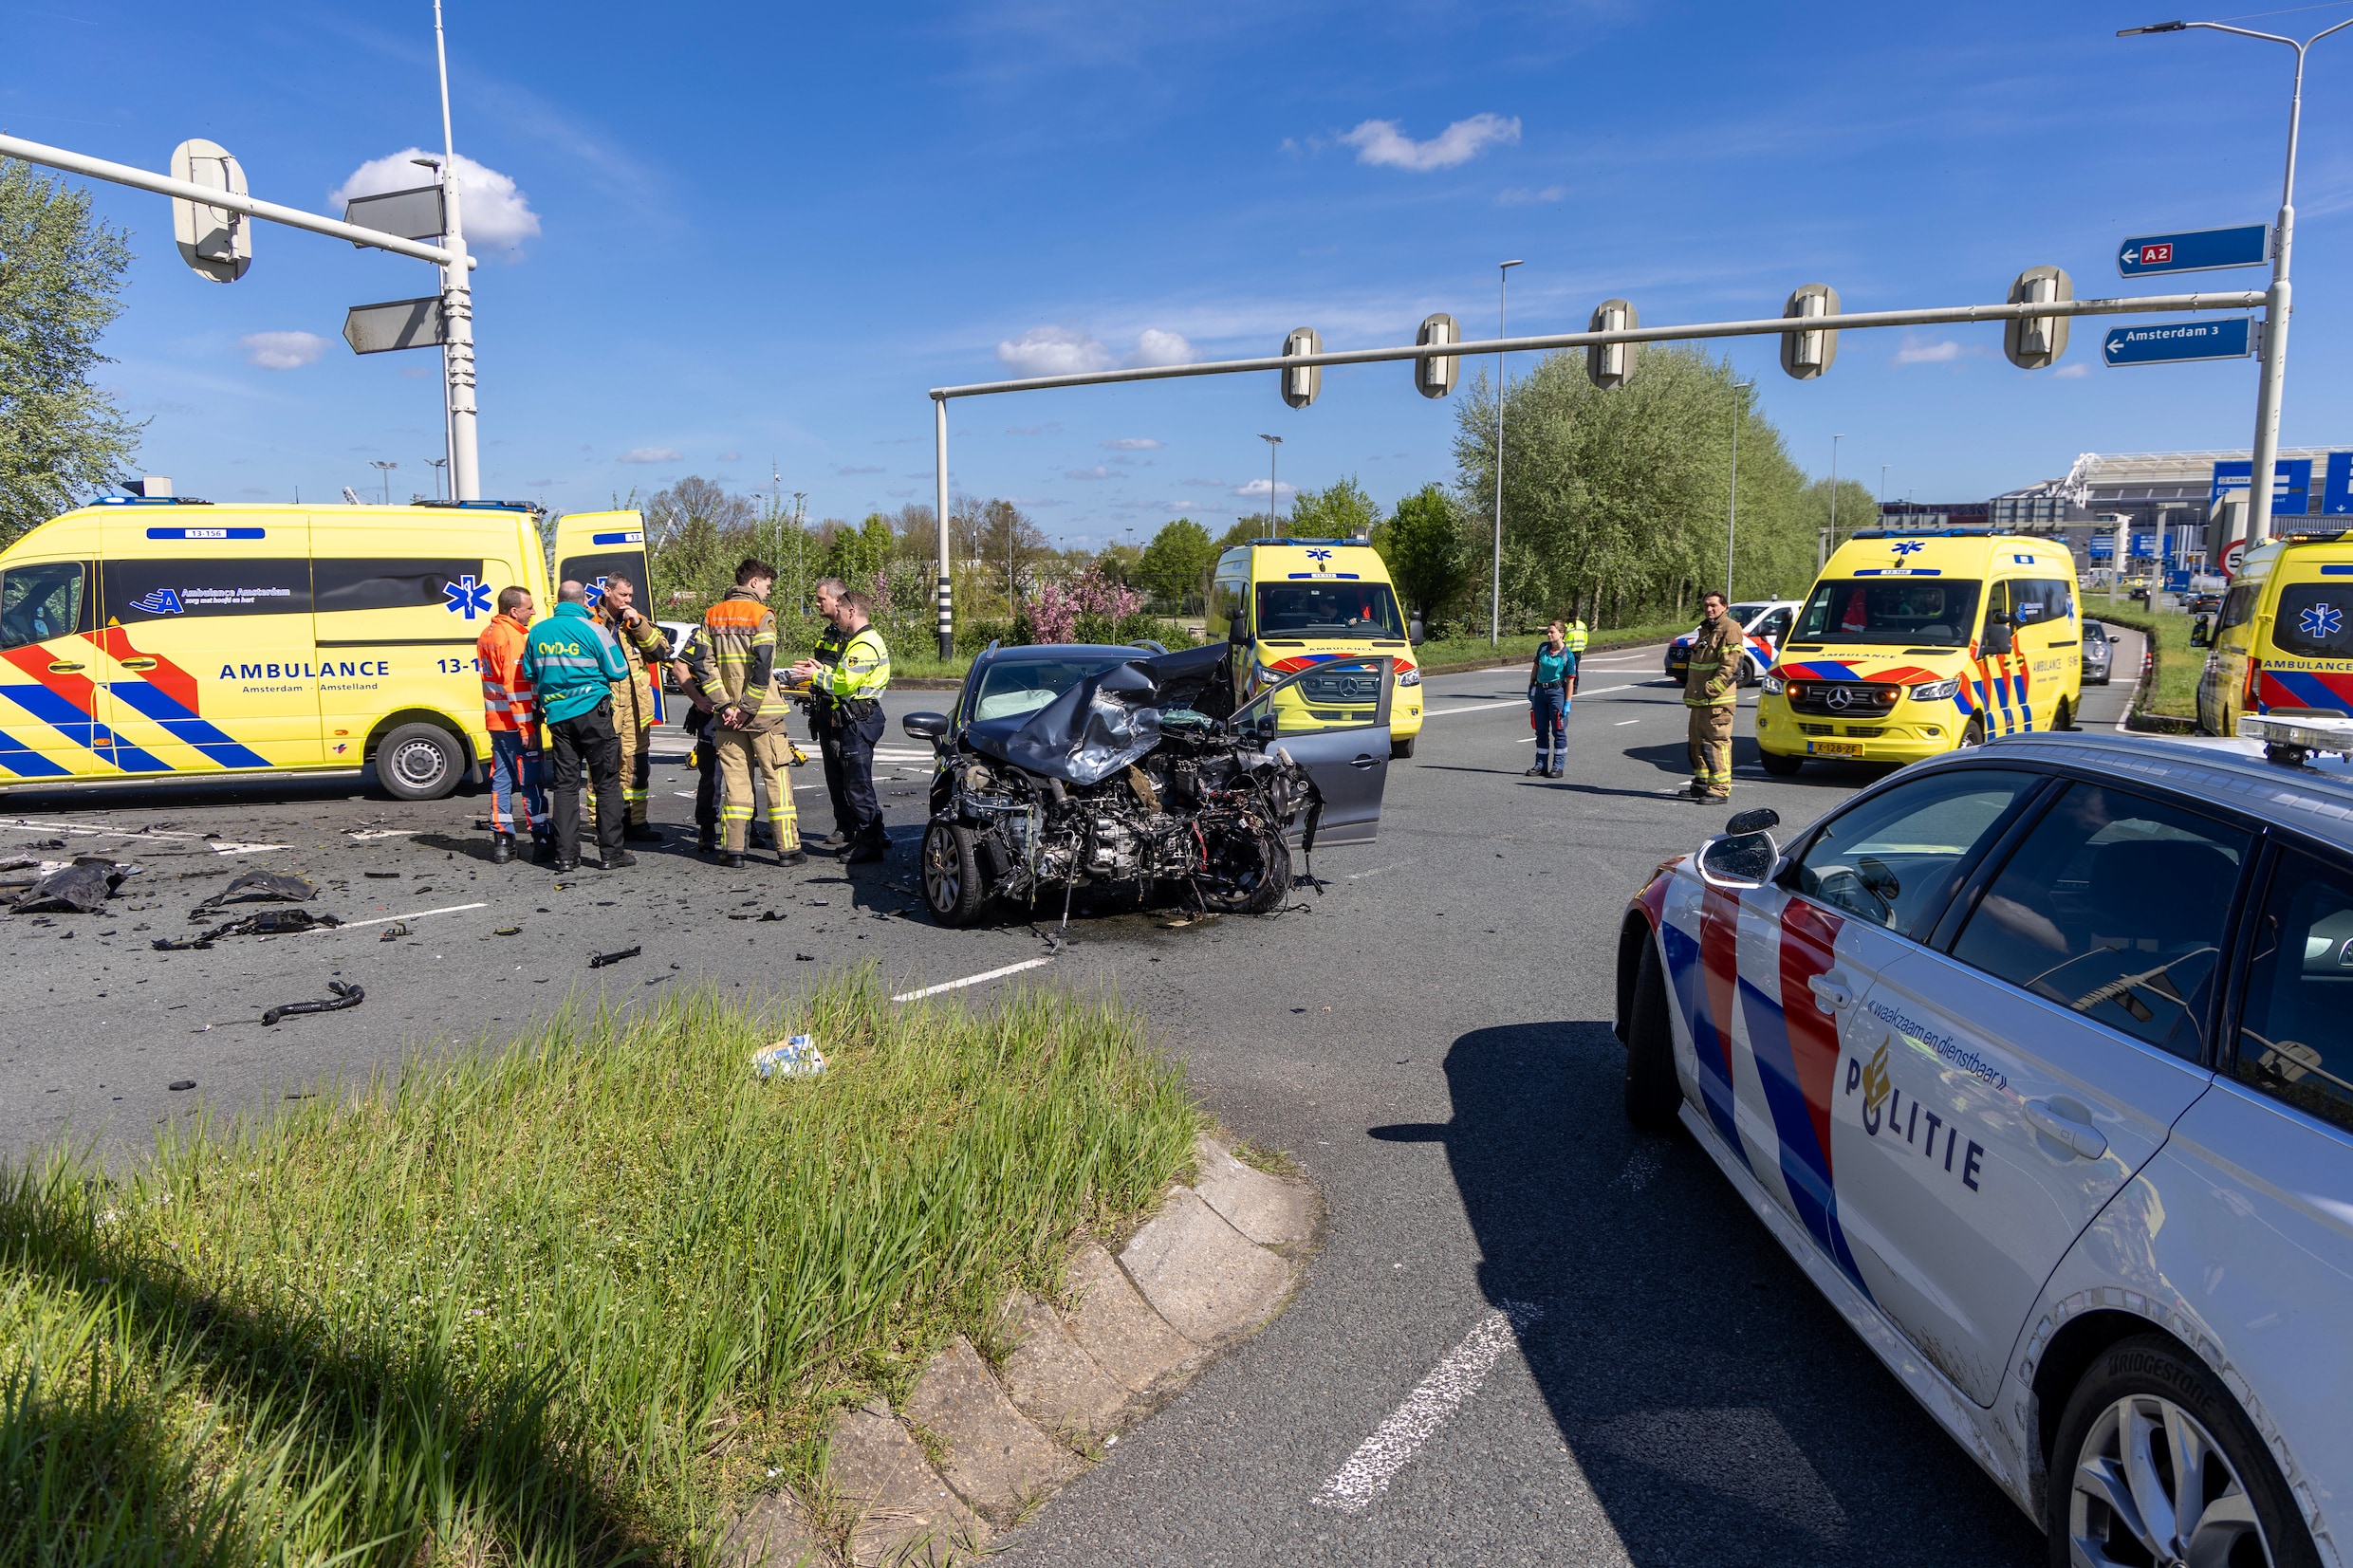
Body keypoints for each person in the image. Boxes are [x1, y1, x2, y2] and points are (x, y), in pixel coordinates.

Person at [521, 581, 635, 872]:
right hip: (593, 713)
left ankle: (567, 857)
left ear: (558, 602)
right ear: (584, 601)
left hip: (558, 717)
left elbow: (529, 672)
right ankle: (612, 854)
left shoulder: (537, 632)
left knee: (565, 787)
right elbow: (618, 670)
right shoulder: (593, 629)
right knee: (606, 783)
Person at [698, 558, 805, 870]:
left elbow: (702, 666)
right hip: (763, 716)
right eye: (768, 585)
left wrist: (725, 705)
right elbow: (763, 665)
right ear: (754, 582)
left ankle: (734, 850)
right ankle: (788, 850)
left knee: (736, 783)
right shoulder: (761, 614)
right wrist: (746, 708)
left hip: (727, 719)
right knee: (776, 778)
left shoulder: (712, 615)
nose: (769, 592)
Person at [793, 581, 892, 863]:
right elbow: (843, 675)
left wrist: (815, 676)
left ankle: (870, 843)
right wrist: (822, 669)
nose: (837, 615)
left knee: (858, 786)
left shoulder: (863, 644)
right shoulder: (862, 641)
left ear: (851, 611)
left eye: (841, 610)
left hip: (859, 719)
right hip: (857, 717)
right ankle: (864, 838)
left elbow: (843, 683)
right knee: (853, 783)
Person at [591, 574, 672, 844]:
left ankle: (636, 822)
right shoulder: (591, 621)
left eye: (630, 595)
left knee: (637, 768)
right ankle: (603, 825)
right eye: (622, 595)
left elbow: (660, 652)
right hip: (605, 709)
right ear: (607, 591)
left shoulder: (635, 621)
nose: (627, 600)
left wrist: (637, 624)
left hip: (636, 711)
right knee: (605, 768)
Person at [476, 585, 548, 864]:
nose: (533, 612)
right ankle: (541, 838)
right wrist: (526, 727)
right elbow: (516, 687)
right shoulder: (513, 638)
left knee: (501, 780)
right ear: (514, 611)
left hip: (497, 720)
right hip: (516, 723)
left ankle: (503, 842)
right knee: (531, 781)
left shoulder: (488, 634)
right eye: (529, 608)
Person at [1684, 590, 1743, 802]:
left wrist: (1711, 689)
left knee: (1716, 744)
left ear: (1724, 607)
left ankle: (1719, 789)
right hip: (1700, 700)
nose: (1709, 609)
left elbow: (1732, 665)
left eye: (1714, 605)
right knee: (1696, 744)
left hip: (1717, 701)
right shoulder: (1708, 629)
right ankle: (1701, 784)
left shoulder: (1729, 628)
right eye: (1706, 605)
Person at [671, 627, 723, 855]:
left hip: (740, 711)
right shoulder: (705, 631)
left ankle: (747, 829)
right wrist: (699, 700)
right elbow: (679, 667)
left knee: (743, 774)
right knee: (712, 774)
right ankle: (707, 828)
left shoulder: (749, 624)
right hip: (713, 713)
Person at [1526, 621, 1572, 779]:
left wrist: (1567, 702)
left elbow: (1570, 681)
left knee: (1558, 730)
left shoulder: (1567, 655)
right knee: (1540, 729)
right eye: (1548, 632)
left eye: (1552, 632)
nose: (1549, 634)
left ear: (1561, 634)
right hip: (1540, 692)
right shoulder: (1543, 648)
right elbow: (1536, 667)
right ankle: (1540, 765)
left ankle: (1558, 766)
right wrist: (1531, 686)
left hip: (1556, 693)